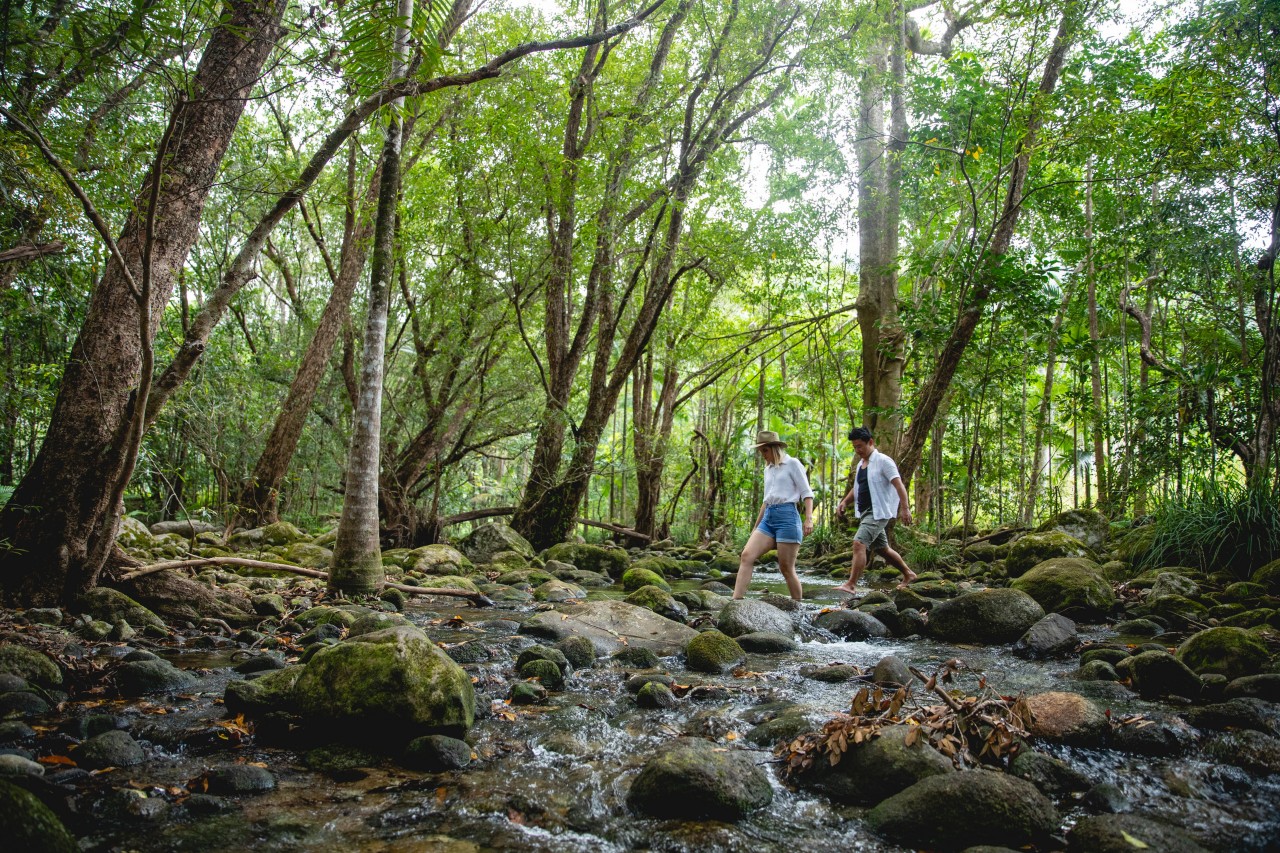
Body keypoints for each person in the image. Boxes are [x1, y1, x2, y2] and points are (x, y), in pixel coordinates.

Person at [834, 426, 917, 595]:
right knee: (882, 549)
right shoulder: (860, 465)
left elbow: (899, 484)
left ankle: (851, 585)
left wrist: (906, 509)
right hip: (865, 512)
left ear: (870, 442)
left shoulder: (884, 461)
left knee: (859, 543)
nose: (857, 451)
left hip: (878, 511)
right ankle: (909, 574)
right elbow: (857, 488)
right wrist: (844, 502)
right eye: (854, 447)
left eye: (860, 446)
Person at [734, 430, 814, 601]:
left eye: (764, 451)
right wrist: (756, 527)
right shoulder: (767, 470)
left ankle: (798, 606)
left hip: (788, 517)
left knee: (786, 568)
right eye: (760, 451)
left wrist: (808, 519)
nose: (762, 455)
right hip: (768, 518)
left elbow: (807, 493)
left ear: (774, 448)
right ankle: (736, 601)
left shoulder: (793, 464)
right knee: (747, 555)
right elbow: (766, 501)